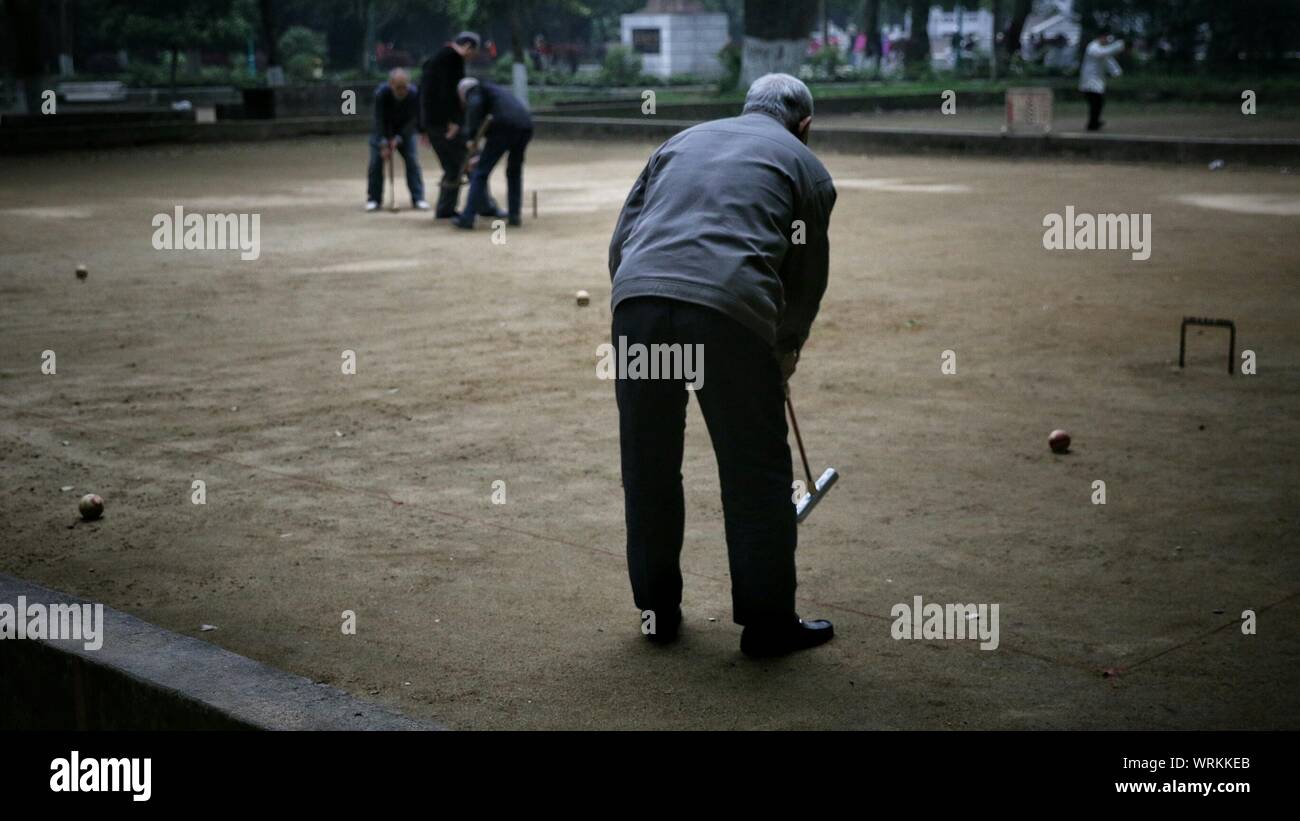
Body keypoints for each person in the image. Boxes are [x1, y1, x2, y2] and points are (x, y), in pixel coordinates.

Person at [607, 73, 837, 658]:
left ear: (746, 108)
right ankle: (767, 626)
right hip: (729, 313)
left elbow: (622, 240)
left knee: (648, 459)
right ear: (804, 125)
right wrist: (784, 350)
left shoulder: (680, 141)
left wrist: (647, 306)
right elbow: (805, 277)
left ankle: (657, 613)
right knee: (755, 472)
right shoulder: (806, 167)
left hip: (637, 302)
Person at [452, 78, 533, 230]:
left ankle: (467, 218)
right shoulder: (495, 90)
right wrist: (480, 156)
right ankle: (514, 216)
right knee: (514, 171)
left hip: (503, 127)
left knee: (481, 173)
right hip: (525, 125)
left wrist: (471, 137)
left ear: (463, 93)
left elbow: (474, 106)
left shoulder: (475, 91)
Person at [419, 32, 481, 219]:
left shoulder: (435, 59)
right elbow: (448, 93)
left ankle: (446, 209)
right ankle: (483, 204)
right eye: (473, 53)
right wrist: (453, 120)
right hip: (445, 123)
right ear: (468, 46)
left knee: (453, 167)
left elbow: (423, 93)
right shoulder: (452, 59)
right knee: (473, 160)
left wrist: (422, 127)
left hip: (432, 123)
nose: (472, 58)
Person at [366, 68, 427, 212]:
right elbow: (379, 120)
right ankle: (374, 199)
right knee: (375, 163)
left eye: (404, 87)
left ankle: (418, 198)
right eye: (398, 87)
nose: (402, 91)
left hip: (405, 132)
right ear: (390, 84)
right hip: (382, 132)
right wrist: (383, 143)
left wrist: (398, 139)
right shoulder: (381, 94)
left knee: (412, 160)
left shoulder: (414, 95)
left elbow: (413, 120)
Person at [1079, 28, 1125, 131]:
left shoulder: (1102, 48)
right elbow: (1102, 53)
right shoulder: (1093, 47)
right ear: (1101, 37)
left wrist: (1116, 71)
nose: (1107, 41)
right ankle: (1092, 124)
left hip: (1097, 82)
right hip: (1089, 82)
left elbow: (1108, 60)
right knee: (1095, 103)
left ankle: (1094, 122)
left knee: (1098, 103)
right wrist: (1116, 46)